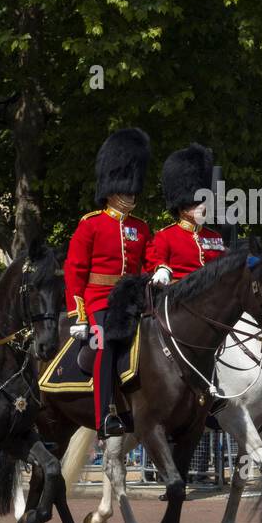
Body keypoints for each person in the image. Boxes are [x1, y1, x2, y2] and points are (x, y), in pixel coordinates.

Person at [63, 128, 152, 437]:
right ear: (112, 187)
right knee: (106, 347)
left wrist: (161, 269)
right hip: (99, 301)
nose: (130, 194)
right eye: (125, 188)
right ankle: (105, 416)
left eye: (132, 188)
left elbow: (149, 262)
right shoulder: (91, 224)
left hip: (134, 301)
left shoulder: (141, 228)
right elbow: (75, 269)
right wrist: (78, 314)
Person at [146, 143, 224, 282]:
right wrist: (162, 269)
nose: (202, 206)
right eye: (195, 202)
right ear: (181, 207)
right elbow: (155, 262)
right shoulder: (165, 237)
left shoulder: (214, 236)